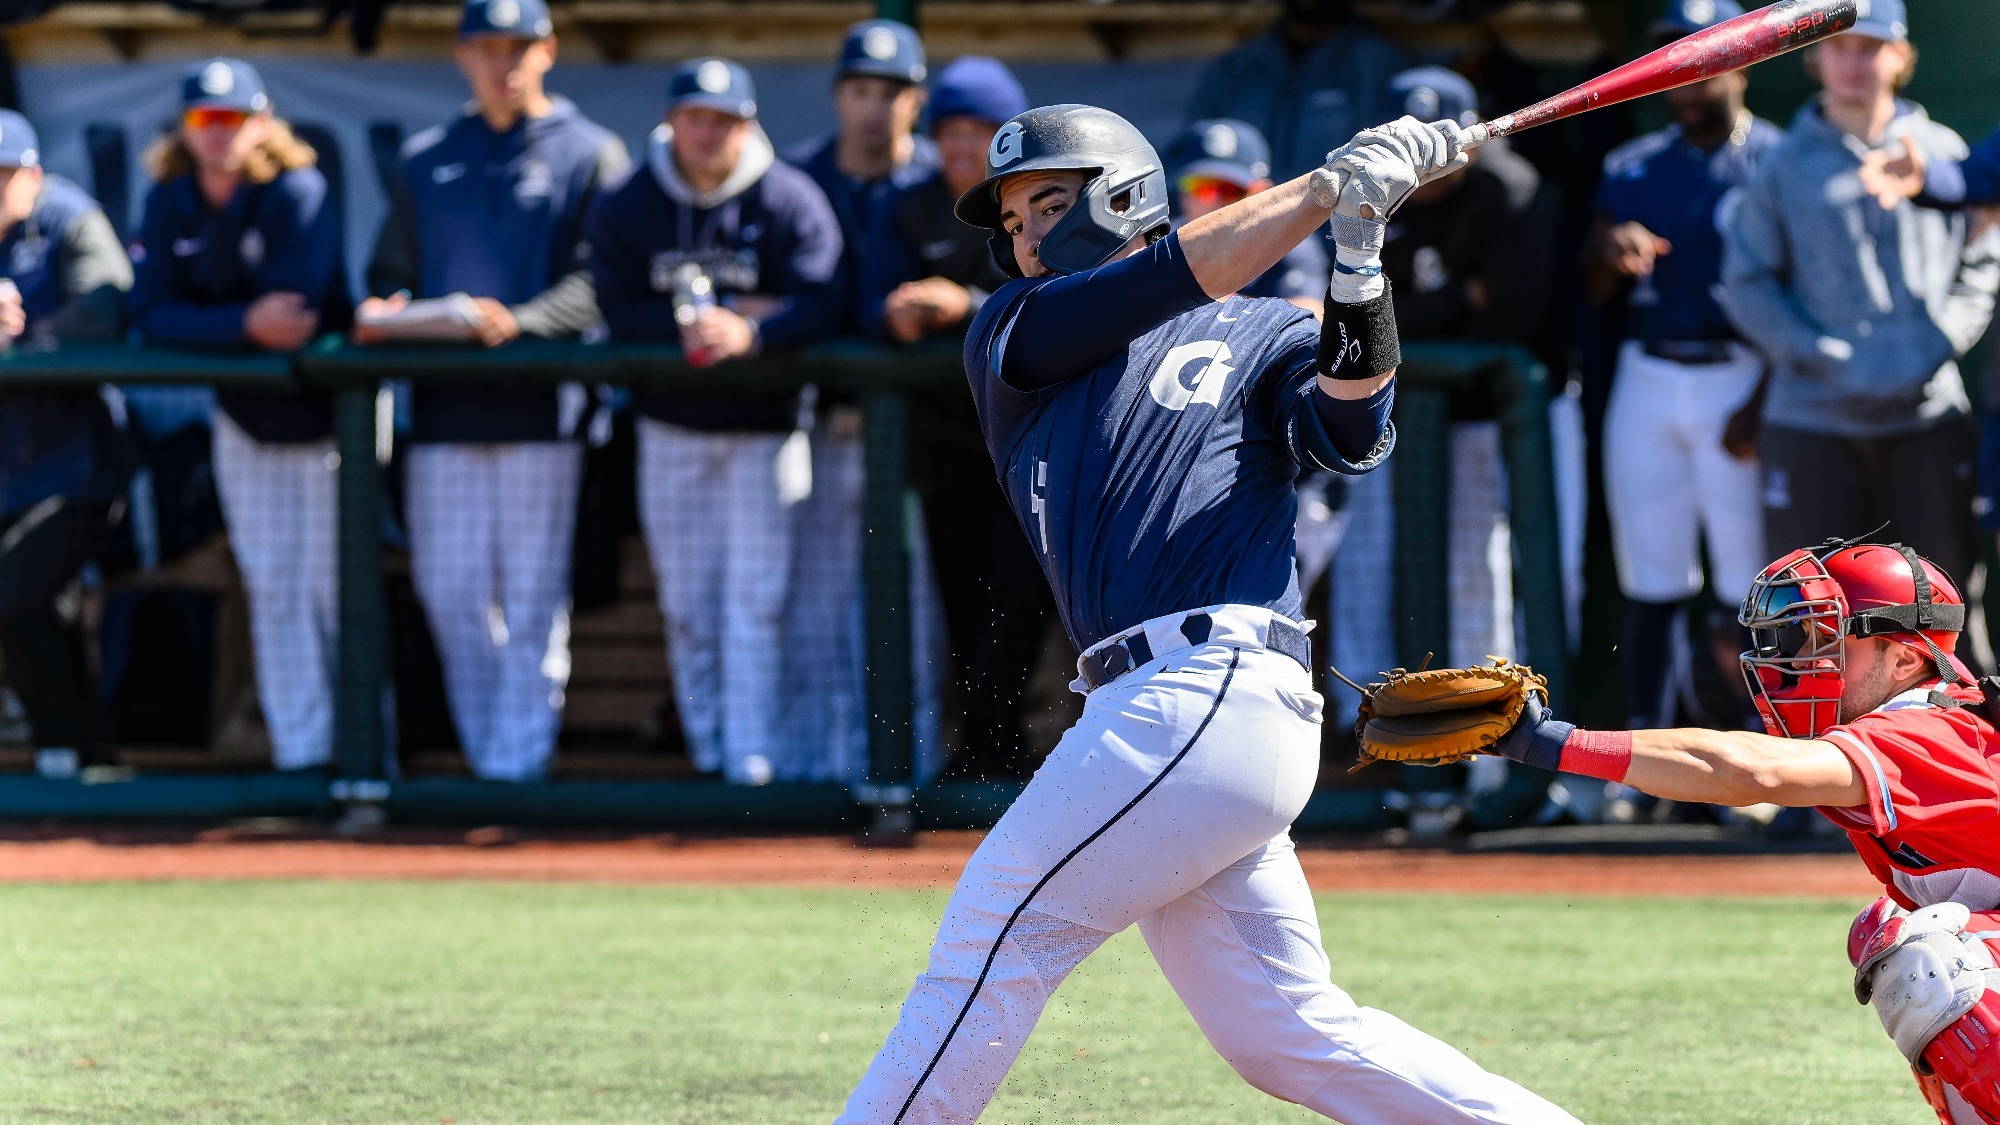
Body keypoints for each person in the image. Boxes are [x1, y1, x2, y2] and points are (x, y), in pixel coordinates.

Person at [834, 106, 1580, 1123]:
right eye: (1010, 220)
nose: (1025, 235)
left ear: (1126, 196)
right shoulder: (1011, 332)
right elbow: (1161, 280)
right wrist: (1325, 189)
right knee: (1287, 1034)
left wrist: (1357, 252)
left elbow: (1352, 429)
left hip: (1207, 688)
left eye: (1049, 202)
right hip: (1155, 711)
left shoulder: (1266, 325)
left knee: (991, 939)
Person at [1482, 540, 2000, 1124]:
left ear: (1903, 659)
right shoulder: (1934, 719)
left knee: (1932, 959)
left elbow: (1750, 770)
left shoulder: (1928, 730)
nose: (1804, 659)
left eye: (1827, 641)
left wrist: (1552, 743)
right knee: (1911, 938)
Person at [360, 0, 629, 781]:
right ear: (462, 56)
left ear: (547, 50)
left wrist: (522, 320)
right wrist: (393, 313)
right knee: (451, 595)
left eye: (517, 46)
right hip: (444, 414)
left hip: (544, 410)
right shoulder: (428, 155)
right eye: (486, 47)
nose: (502, 63)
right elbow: (388, 279)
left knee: (533, 598)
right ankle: (490, 760)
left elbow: (601, 280)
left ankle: (521, 765)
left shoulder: (590, 151)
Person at [586, 58, 844, 785]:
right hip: (669, 427)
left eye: (723, 120)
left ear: (748, 125)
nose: (707, 133)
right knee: (689, 606)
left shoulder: (788, 195)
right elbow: (610, 301)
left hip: (766, 430)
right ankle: (709, 756)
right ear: (672, 121)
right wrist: (690, 324)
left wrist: (754, 332)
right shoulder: (630, 199)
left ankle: (757, 762)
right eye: (696, 117)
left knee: (760, 604)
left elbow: (824, 297)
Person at [1719, 0, 1997, 609]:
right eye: (1840, 47)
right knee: (1808, 621)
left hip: (1927, 418)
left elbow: (1983, 261)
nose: (1854, 62)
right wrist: (1817, 352)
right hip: (1812, 423)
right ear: (1815, 57)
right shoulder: (1781, 165)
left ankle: (1949, 712)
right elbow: (1746, 282)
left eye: (1870, 47)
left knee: (1942, 616)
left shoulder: (1940, 153)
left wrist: (1937, 341)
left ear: (1901, 58)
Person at [127, 58, 349, 772]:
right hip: (242, 424)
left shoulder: (297, 190)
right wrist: (240, 321)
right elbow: (150, 313)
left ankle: (361, 757)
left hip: (325, 422)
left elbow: (294, 311)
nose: (218, 134)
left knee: (332, 590)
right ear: (185, 128)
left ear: (262, 122)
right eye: (204, 120)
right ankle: (301, 754)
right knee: (272, 587)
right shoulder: (170, 198)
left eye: (232, 119)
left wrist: (225, 321)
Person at [1329, 66, 1557, 761]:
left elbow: (1512, 319)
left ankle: (1491, 734)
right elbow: (1360, 316)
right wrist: (1458, 296)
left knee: (1479, 579)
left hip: (1491, 422)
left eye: (1435, 143)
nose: (1422, 163)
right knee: (1363, 567)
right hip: (1389, 420)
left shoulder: (1510, 191)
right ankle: (1362, 730)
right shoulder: (1375, 192)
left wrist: (1425, 313)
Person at [1582, 0, 1782, 737]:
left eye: (1703, 55)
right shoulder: (1630, 164)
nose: (1687, 76)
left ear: (1741, 59)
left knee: (1753, 582)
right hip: (1650, 370)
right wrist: (1608, 245)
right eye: (1673, 57)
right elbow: (1593, 287)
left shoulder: (1779, 160)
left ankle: (1764, 749)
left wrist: (1764, 397)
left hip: (1744, 370)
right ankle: (1648, 750)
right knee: (1653, 576)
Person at [858, 55, 1056, 778]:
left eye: (980, 132)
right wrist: (897, 315)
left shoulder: (1044, 201)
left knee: (1020, 598)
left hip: (1031, 442)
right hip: (945, 443)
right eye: (951, 132)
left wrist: (963, 307)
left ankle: (1001, 739)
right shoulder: (907, 205)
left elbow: (1062, 306)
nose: (963, 148)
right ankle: (976, 744)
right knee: (957, 594)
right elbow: (865, 303)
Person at [785, 18, 945, 783]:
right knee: (814, 608)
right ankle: (820, 766)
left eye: (891, 92)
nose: (874, 108)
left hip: (912, 439)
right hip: (816, 424)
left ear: (916, 100)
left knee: (907, 613)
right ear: (837, 95)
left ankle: (903, 769)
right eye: (859, 90)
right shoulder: (798, 177)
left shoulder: (938, 188)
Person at [0, 110, 133, 777]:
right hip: (6, 465)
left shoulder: (71, 219)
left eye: (2, 175)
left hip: (75, 468)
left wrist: (29, 333)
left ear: (32, 174)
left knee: (19, 594)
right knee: (34, 607)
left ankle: (69, 751)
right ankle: (82, 756)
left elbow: (109, 309)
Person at [1185, 0, 1409, 184]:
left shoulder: (1379, 67)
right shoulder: (1237, 68)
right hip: (1246, 230)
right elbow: (1193, 163)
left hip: (1340, 232)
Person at [1167, 117, 1326, 311]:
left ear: (1262, 193)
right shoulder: (1161, 245)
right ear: (1183, 193)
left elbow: (1314, 313)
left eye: (1231, 190)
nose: (1217, 201)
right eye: (1202, 187)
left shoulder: (1291, 242)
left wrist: (1221, 305)